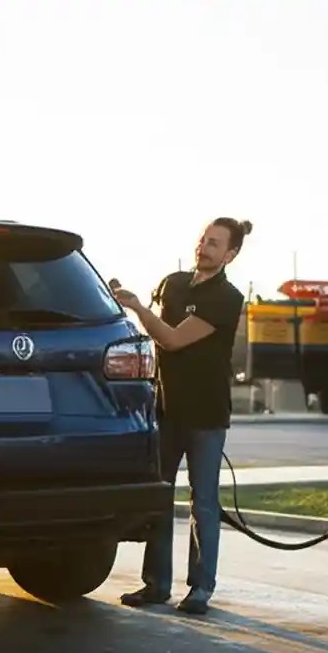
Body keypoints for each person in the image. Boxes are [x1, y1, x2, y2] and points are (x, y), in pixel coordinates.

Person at [110, 217, 250, 615]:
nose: (204, 247)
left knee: (202, 502)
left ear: (230, 254)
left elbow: (170, 339)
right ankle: (155, 585)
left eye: (215, 243)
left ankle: (200, 589)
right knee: (158, 497)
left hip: (205, 414)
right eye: (203, 239)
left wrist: (136, 306)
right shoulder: (172, 283)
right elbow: (150, 334)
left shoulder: (227, 297)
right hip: (165, 410)